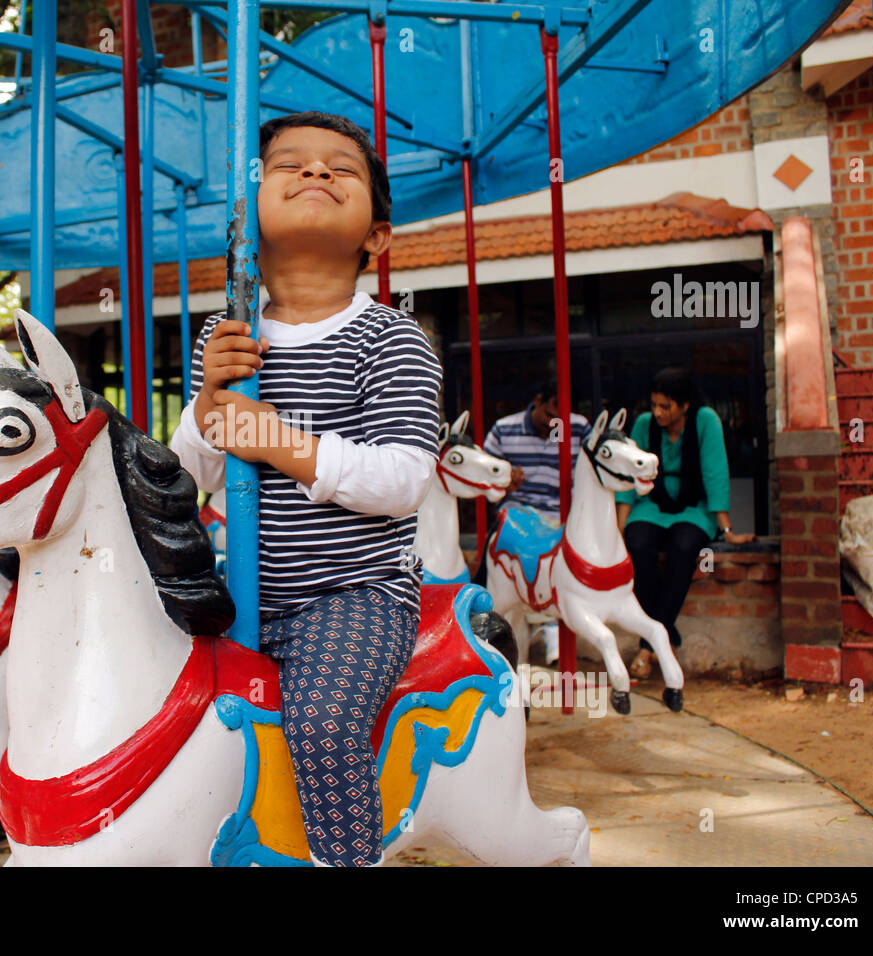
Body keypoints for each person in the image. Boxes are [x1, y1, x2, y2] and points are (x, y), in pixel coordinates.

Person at [169, 111, 443, 866]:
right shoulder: (225, 338)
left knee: (323, 721)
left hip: (355, 593)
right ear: (248, 214)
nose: (315, 173)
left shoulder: (389, 339)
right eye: (287, 165)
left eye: (340, 169)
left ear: (376, 237)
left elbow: (402, 478)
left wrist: (270, 438)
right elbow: (182, 482)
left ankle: (344, 858)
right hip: (243, 593)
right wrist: (205, 412)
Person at [616, 367, 754, 679]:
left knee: (684, 548)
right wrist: (619, 528)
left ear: (685, 405)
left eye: (666, 406)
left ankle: (647, 647)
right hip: (651, 505)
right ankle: (667, 639)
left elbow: (715, 473)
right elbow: (629, 477)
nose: (658, 412)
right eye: (654, 405)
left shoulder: (706, 422)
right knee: (637, 545)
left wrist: (727, 530)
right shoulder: (644, 425)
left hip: (694, 508)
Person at [482, 378, 589, 663]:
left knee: (563, 558)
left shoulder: (580, 428)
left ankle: (550, 628)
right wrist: (506, 481)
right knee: (508, 553)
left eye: (561, 419)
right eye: (550, 415)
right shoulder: (504, 430)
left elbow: (587, 481)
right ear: (538, 400)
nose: (554, 424)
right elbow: (483, 480)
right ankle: (493, 628)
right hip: (517, 517)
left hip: (560, 517)